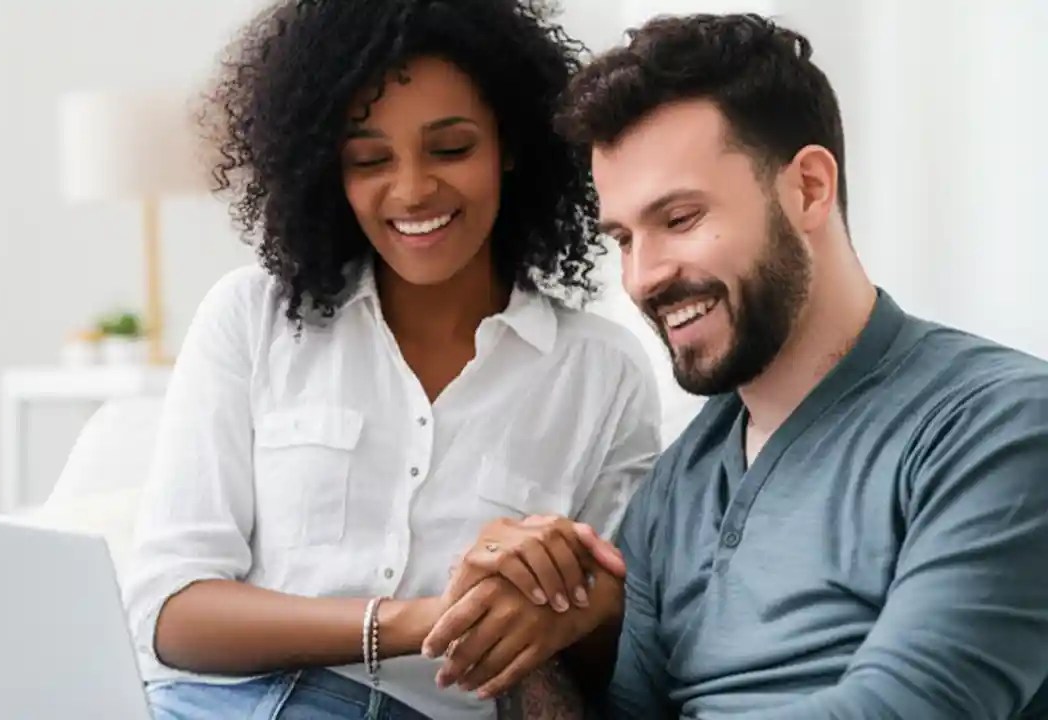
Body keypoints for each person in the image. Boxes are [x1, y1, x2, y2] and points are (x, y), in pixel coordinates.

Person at [428, 12, 1048, 719]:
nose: (643, 277)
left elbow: (907, 707)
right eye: (624, 238)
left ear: (808, 188)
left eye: (680, 219)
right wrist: (529, 620)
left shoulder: (1000, 426)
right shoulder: (678, 485)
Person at [121, 2, 662, 718]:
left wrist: (558, 597)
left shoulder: (603, 374)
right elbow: (169, 611)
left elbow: (613, 651)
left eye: (450, 149)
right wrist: (415, 621)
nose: (411, 190)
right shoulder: (252, 316)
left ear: (510, 144)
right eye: (370, 160)